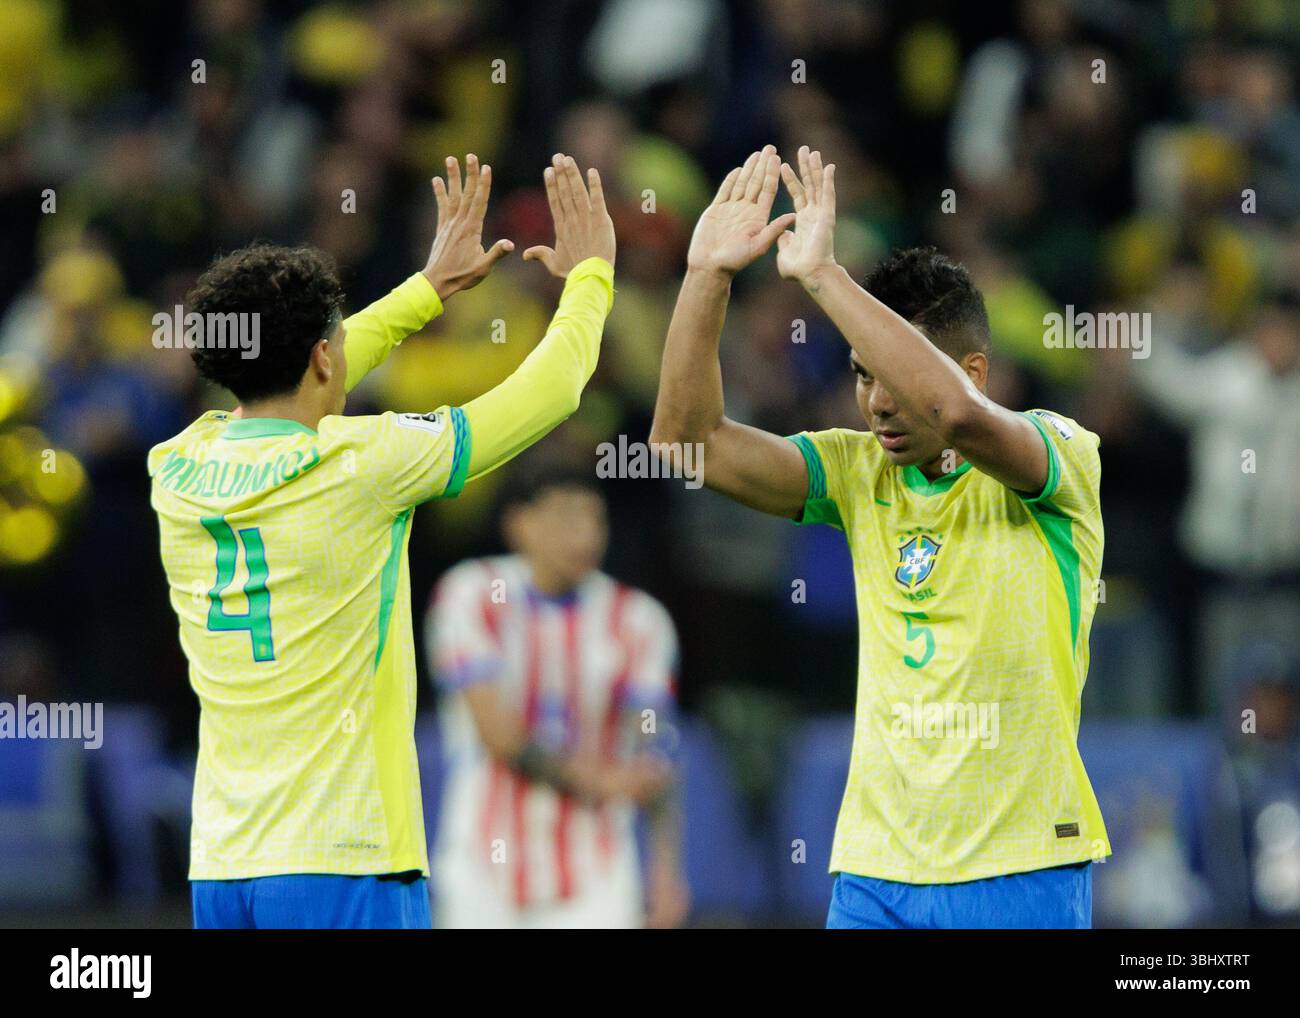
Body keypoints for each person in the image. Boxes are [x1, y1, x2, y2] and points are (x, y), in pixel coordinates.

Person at [148, 152, 617, 928]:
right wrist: (593, 277)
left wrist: (423, 293)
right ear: (323, 355)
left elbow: (300, 377)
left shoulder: (178, 465)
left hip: (225, 865)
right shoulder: (365, 464)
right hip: (347, 855)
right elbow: (554, 388)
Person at [650, 144, 1109, 928]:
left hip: (1020, 859)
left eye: (894, 377)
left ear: (975, 367)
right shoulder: (857, 473)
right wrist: (707, 278)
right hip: (874, 868)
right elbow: (684, 442)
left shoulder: (1059, 457)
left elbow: (956, 415)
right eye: (861, 375)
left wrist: (827, 276)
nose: (878, 404)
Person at [425, 463, 689, 928]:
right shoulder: (472, 595)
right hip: (482, 864)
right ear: (518, 523)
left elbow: (655, 753)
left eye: (595, 519)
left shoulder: (639, 620)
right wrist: (601, 782)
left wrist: (666, 870)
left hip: (596, 869)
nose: (585, 535)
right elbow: (500, 736)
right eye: (567, 517)